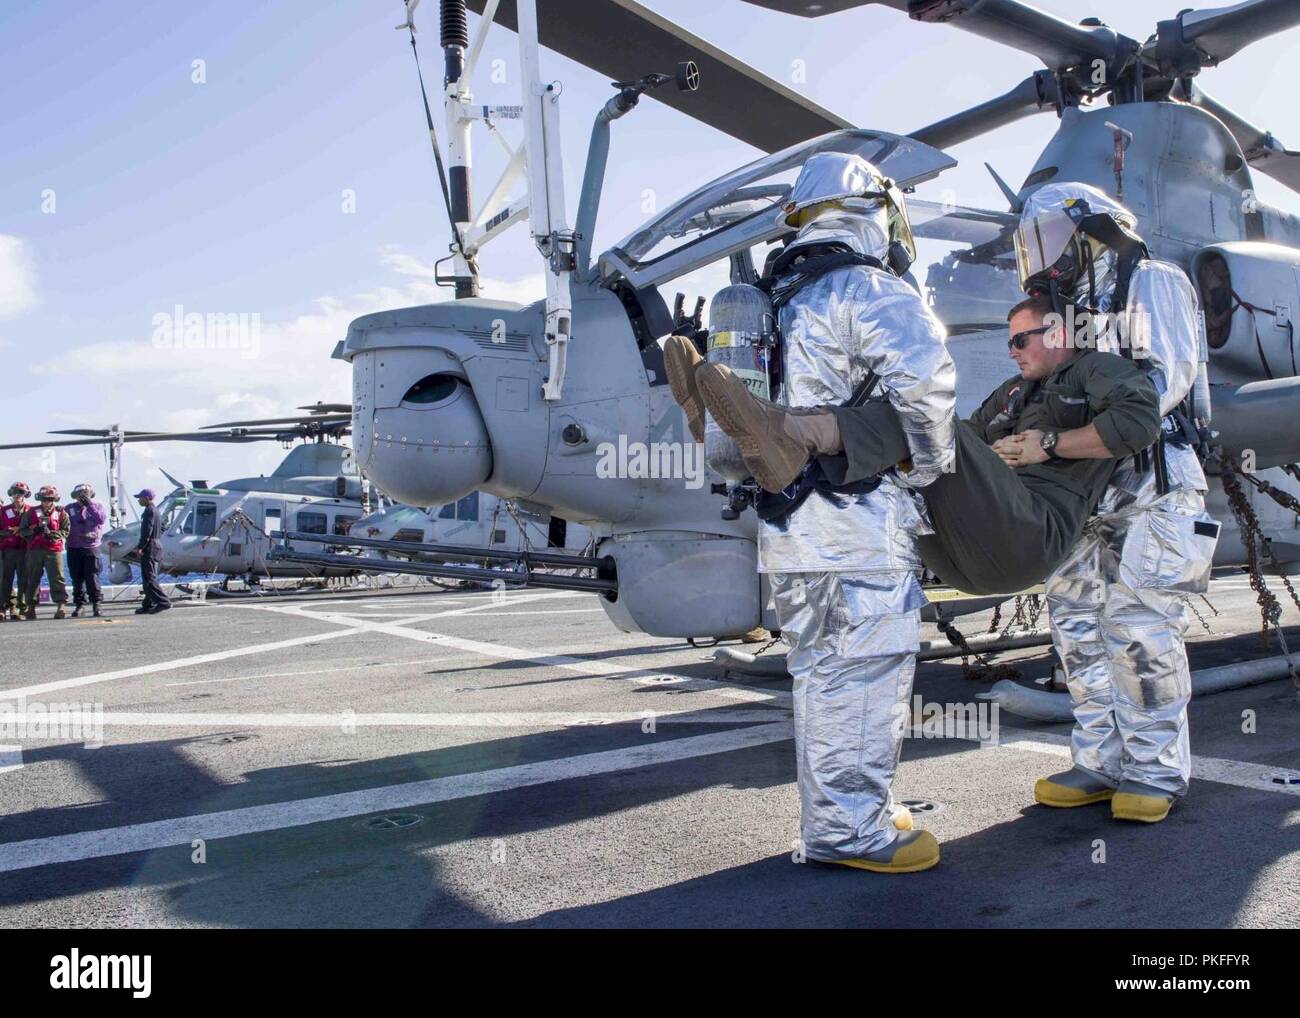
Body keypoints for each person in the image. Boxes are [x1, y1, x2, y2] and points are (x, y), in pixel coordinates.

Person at [670, 151, 956, 873]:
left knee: (826, 673)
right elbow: (927, 382)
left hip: (788, 529)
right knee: (864, 673)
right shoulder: (869, 287)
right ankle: (849, 834)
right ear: (872, 213)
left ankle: (849, 809)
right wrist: (927, 463)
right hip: (857, 526)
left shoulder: (779, 299)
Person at [682, 293, 1163, 597]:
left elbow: (1140, 422)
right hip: (961, 551)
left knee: (925, 417)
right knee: (909, 447)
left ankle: (779, 430)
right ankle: (757, 436)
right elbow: (968, 439)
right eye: (1009, 342)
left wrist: (1049, 444)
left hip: (1029, 536)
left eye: (1021, 340)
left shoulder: (1096, 369)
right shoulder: (1015, 392)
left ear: (1058, 334)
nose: (1011, 350)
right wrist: (986, 462)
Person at [1013, 183, 1220, 824]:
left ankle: (1156, 772)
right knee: (1076, 627)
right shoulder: (1072, 312)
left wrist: (1060, 434)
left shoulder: (1151, 280)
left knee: (1141, 631)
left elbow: (1161, 381)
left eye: (1046, 239)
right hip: (1083, 488)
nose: (1039, 260)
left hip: (1154, 486)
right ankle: (1099, 762)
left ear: (1092, 232)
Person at [19, 485, 70, 620]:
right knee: (32, 578)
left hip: (54, 550)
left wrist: (52, 534)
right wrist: (34, 531)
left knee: (57, 578)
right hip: (34, 550)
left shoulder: (61, 513)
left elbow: (65, 531)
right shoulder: (31, 512)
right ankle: (31, 608)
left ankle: (61, 606)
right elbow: (22, 530)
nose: (46, 502)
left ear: (54, 499)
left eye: (49, 499)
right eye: (44, 499)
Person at [66, 483, 107, 618]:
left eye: (85, 495)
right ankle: (80, 605)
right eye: (80, 495)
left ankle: (97, 605)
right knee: (76, 578)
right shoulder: (69, 508)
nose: (82, 498)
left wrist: (89, 505)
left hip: (91, 547)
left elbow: (101, 520)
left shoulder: (97, 507)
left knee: (93, 577)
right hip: (74, 547)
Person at [134, 488, 171, 614]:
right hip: (156, 545)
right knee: (148, 577)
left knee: (149, 577)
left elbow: (146, 531)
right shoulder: (156, 511)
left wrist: (140, 547)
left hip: (150, 546)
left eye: (140, 498)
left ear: (147, 498)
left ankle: (163, 602)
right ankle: (148, 604)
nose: (139, 500)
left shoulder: (149, 511)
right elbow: (163, 527)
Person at [1, 481, 32, 621]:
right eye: (15, 492)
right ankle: (3, 608)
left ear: (25, 495)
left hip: (25, 550)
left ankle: (21, 608)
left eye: (20, 493)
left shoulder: (32, 510)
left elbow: (36, 528)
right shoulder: (3, 511)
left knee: (23, 580)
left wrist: (22, 531)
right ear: (11, 494)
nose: (17, 495)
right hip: (7, 551)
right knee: (5, 580)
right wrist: (6, 533)